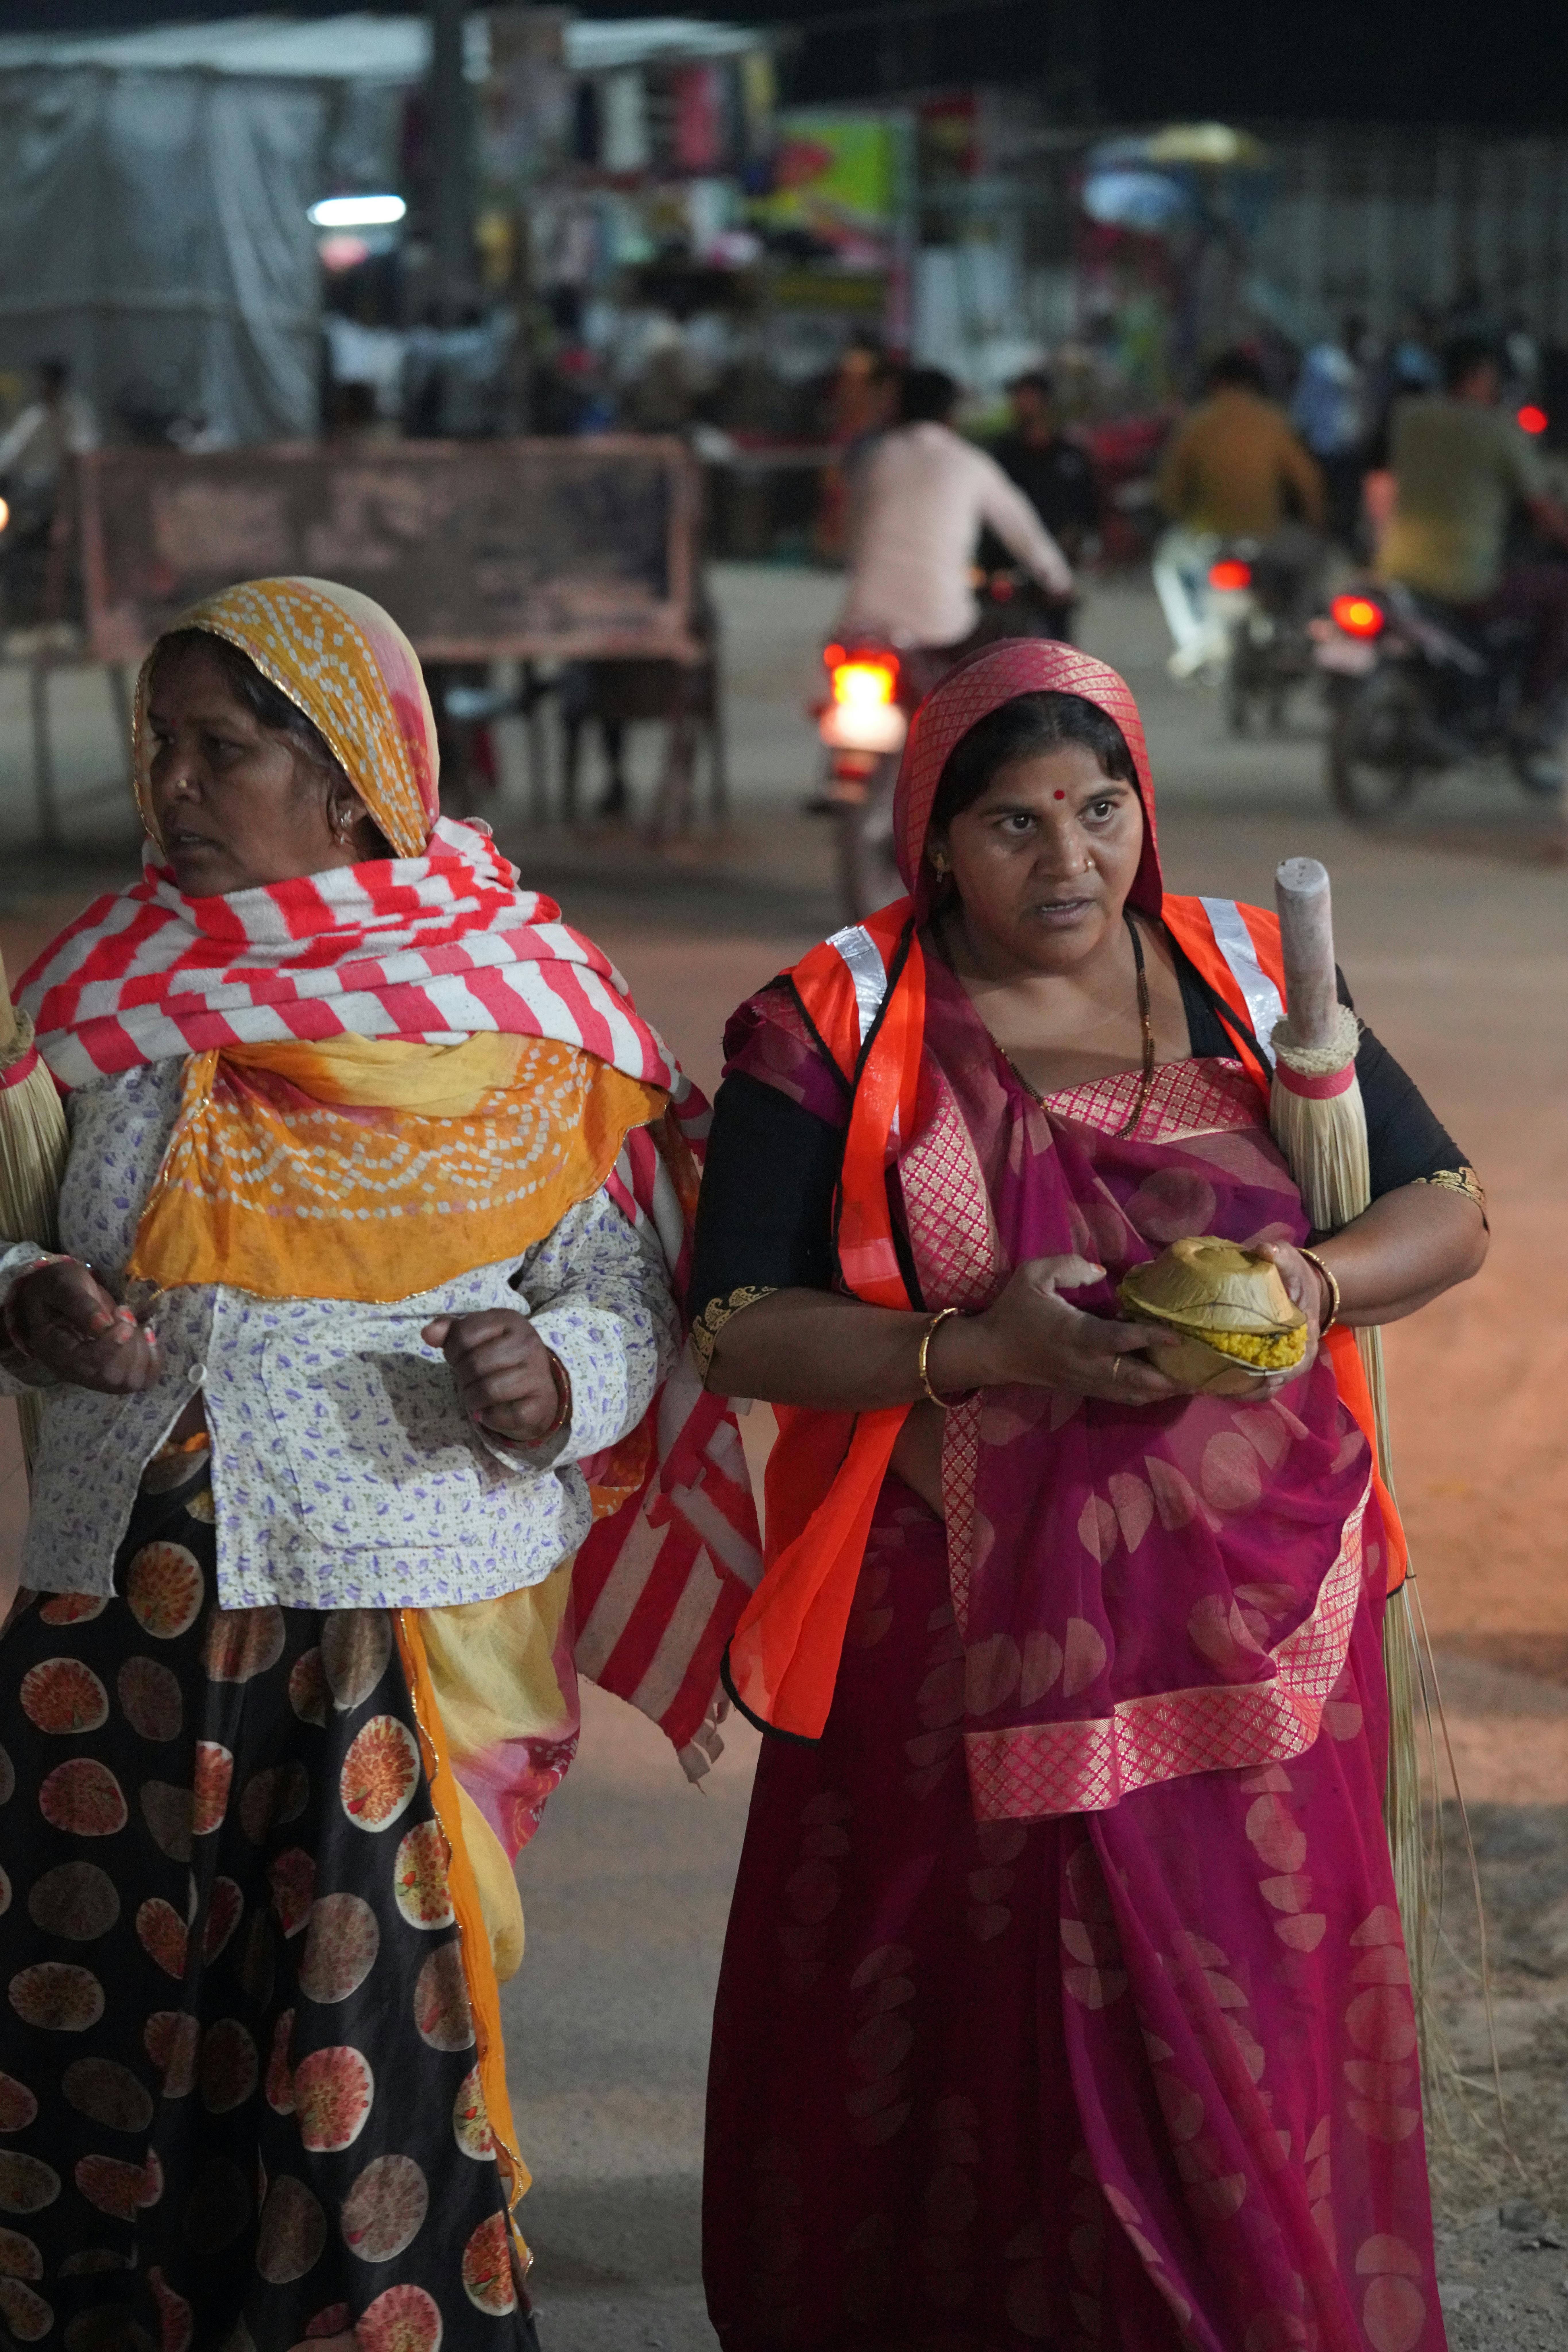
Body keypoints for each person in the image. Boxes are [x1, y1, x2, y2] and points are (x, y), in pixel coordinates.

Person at [693, 637, 1485, 2352]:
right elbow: (740, 1323)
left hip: (1261, 1625)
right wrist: (980, 1350)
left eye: (1099, 808)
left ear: (1145, 804)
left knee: (1240, 1998)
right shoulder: (827, 1024)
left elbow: (1441, 1207)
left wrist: (1311, 1292)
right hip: (963, 1630)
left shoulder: (1246, 974)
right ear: (933, 838)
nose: (1067, 861)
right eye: (1010, 823)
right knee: (972, 2001)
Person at [0, 577, 755, 2352]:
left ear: (350, 780)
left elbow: (629, 1290)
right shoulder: (100, 993)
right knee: (112, 1997)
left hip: (406, 1619)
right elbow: (11, 1228)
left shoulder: (527, 1003)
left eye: (226, 750)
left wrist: (547, 1372)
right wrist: (30, 1296)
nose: (175, 787)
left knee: (375, 2024)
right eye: (160, 747)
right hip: (124, 1608)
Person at [838, 368, 1074, 696]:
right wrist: (1059, 582)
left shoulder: (874, 459)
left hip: (864, 621)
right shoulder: (971, 463)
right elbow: (1025, 534)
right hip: (941, 626)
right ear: (950, 415)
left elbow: (851, 533)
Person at [1379, 333, 1568, 728]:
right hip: (1467, 580)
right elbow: (1543, 509)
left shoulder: (1409, 416)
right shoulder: (1497, 429)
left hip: (1398, 570)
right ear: (1482, 376)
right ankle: (1529, 710)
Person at [1155, 350, 1325, 676]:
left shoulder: (1197, 422)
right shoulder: (1273, 421)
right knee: (1314, 562)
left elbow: (1171, 486)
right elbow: (1309, 482)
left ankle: (1195, 640)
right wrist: (1316, 523)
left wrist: (1177, 514)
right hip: (1269, 536)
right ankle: (1295, 633)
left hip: (1207, 535)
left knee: (1168, 561)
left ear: (1215, 383)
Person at [988, 368, 1102, 568]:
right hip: (1015, 561)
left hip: (1067, 559)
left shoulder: (1070, 454)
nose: (1021, 404)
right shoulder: (1003, 455)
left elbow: (1087, 505)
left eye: (1028, 397)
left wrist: (1074, 537)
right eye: (1017, 397)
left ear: (1045, 401)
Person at [1291, 316, 1372, 549]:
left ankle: (1339, 546)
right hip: (1323, 444)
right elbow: (1306, 397)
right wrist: (1301, 429)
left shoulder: (1366, 361)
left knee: (1347, 507)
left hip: (1352, 449)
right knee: (1320, 499)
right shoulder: (1321, 361)